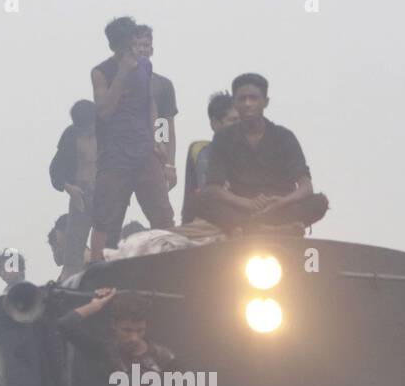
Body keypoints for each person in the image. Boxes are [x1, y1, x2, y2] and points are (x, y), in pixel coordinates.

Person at [190, 73, 329, 234]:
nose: (248, 104)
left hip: (280, 209)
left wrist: (282, 202)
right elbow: (213, 188)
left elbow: (306, 187)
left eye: (254, 98)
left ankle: (256, 229)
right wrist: (246, 203)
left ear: (265, 102)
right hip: (242, 209)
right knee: (199, 201)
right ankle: (269, 230)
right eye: (242, 99)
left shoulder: (284, 136)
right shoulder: (223, 138)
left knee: (320, 202)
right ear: (235, 103)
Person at [89, 16, 175, 262]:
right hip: (114, 156)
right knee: (106, 220)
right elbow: (104, 110)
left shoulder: (147, 69)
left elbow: (154, 109)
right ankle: (98, 270)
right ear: (113, 46)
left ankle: (171, 261)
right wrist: (122, 73)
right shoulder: (101, 72)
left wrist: (162, 148)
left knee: (162, 214)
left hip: (146, 151)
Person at [49, 100, 97, 280]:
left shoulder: (108, 131)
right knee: (73, 250)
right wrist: (70, 189)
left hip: (105, 194)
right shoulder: (71, 136)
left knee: (108, 243)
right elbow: (55, 170)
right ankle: (71, 284)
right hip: (81, 194)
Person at [181, 92, 239, 224]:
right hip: (205, 223)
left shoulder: (252, 151)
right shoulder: (199, 151)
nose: (239, 126)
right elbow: (190, 195)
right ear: (214, 123)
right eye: (233, 120)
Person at [134, 25, 179, 193]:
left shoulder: (162, 85)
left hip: (153, 154)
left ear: (151, 49)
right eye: (137, 45)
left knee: (162, 213)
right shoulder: (117, 81)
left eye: (145, 45)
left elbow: (165, 125)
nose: (141, 49)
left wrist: (169, 163)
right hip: (122, 156)